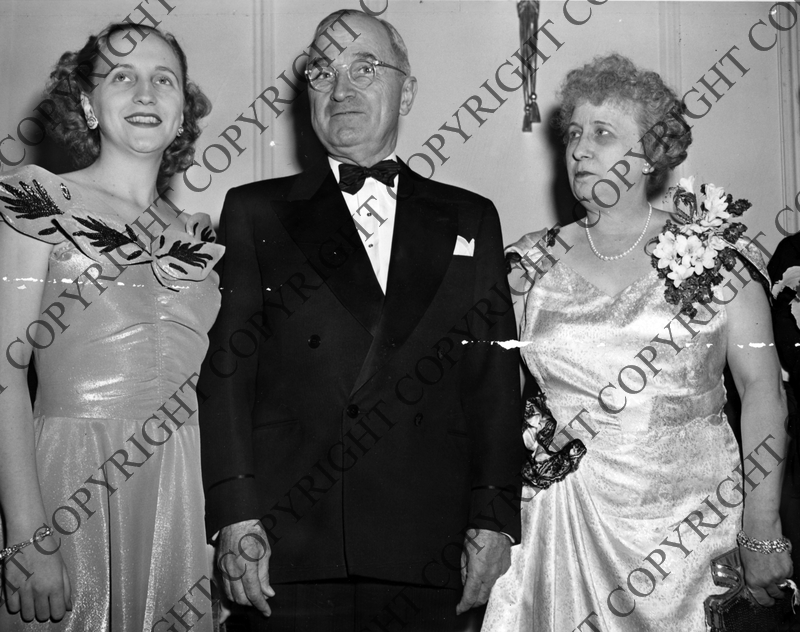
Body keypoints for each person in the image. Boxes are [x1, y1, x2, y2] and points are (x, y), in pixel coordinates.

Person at [198, 8, 523, 631]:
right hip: (289, 545)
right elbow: (228, 375)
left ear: (409, 89)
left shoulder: (470, 218)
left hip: (430, 541)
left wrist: (492, 517)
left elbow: (493, 377)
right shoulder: (255, 211)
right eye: (323, 71)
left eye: (364, 68)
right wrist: (236, 514)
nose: (341, 89)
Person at [483, 54, 794, 631]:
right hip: (562, 530)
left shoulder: (717, 257)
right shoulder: (529, 263)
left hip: (691, 530)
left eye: (602, 133)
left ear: (651, 152)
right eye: (575, 133)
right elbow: (484, 395)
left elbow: (762, 394)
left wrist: (763, 525)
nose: (579, 150)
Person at [0, 23, 222, 630]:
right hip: (70, 479)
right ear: (86, 104)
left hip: (184, 488)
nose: (145, 93)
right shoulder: (37, 202)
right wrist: (27, 534)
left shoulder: (199, 237)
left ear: (182, 113)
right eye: (122, 77)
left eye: (163, 80)